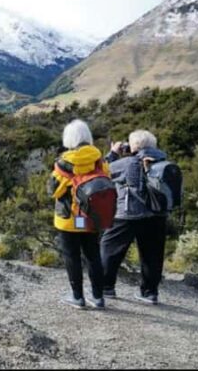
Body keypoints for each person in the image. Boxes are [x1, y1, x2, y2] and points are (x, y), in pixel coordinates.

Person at [101, 130, 168, 304]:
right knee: (152, 256)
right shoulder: (163, 161)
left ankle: (105, 287)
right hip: (157, 215)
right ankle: (149, 293)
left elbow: (104, 171)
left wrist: (114, 153)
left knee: (109, 249)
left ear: (133, 146)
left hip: (128, 214)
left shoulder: (128, 162)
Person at [48, 120, 107, 309]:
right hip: (90, 216)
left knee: (72, 256)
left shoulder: (63, 163)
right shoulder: (99, 160)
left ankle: (77, 297)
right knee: (93, 254)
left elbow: (53, 191)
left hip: (69, 218)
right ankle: (98, 297)